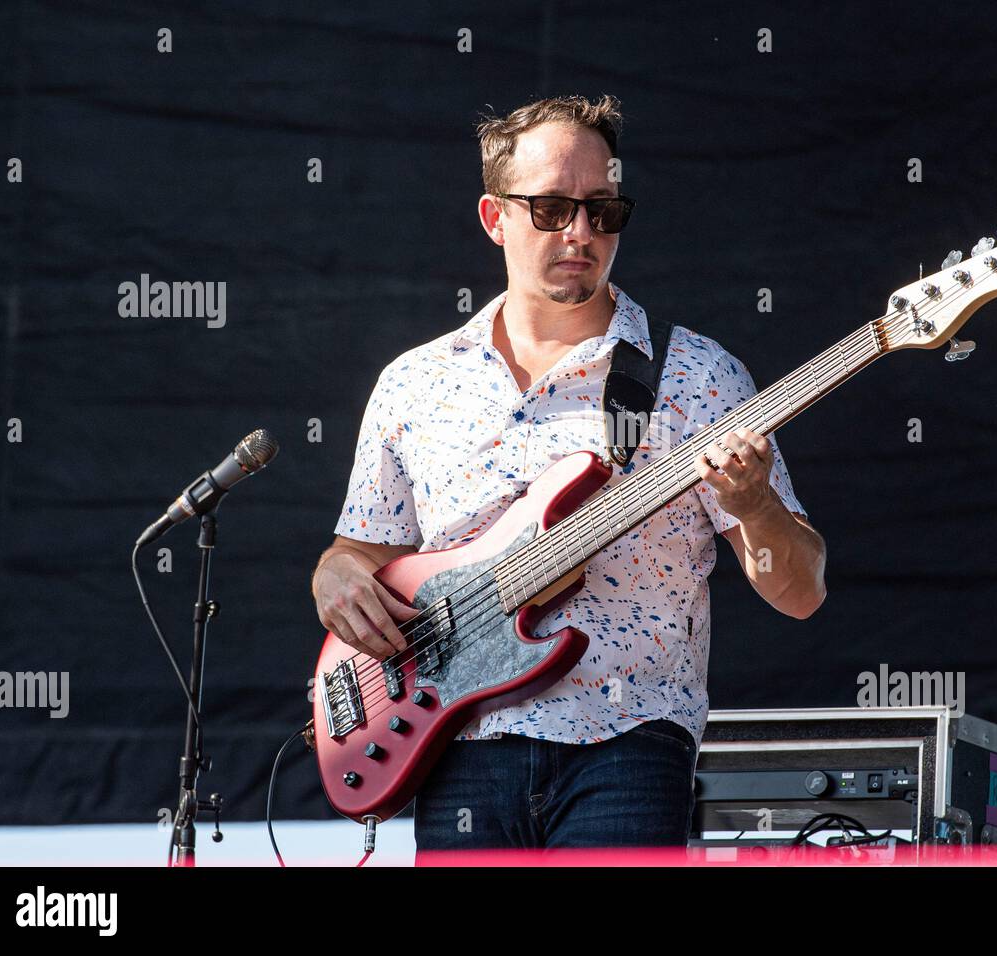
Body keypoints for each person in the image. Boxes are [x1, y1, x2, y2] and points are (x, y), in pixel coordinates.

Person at [311, 93, 826, 853]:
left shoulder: (697, 376)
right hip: (457, 749)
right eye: (551, 208)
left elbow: (802, 590)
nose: (580, 232)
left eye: (602, 211)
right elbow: (361, 553)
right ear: (495, 218)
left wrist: (754, 507)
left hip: (628, 742)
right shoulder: (414, 383)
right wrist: (332, 577)